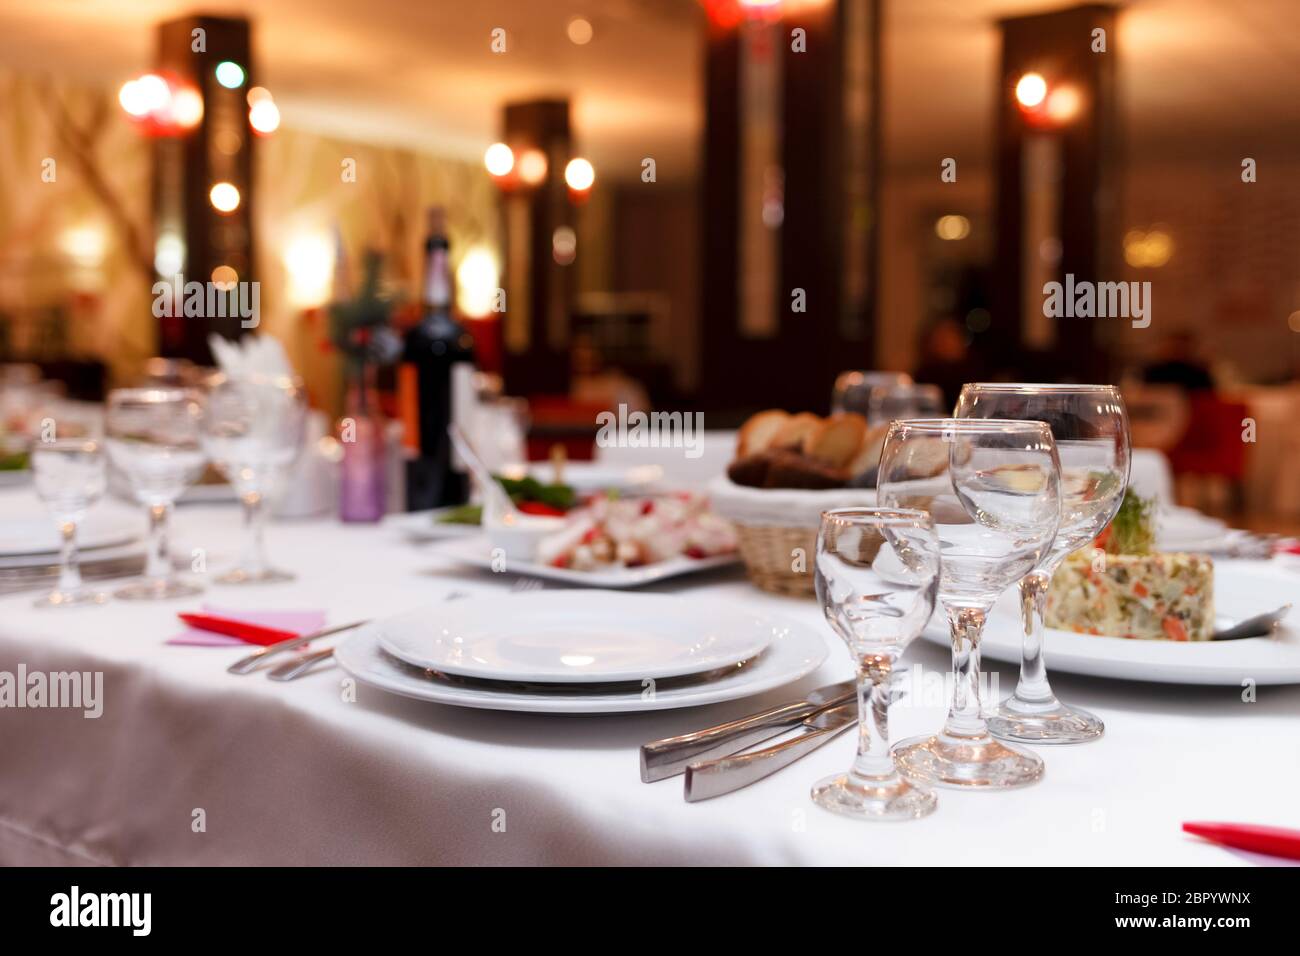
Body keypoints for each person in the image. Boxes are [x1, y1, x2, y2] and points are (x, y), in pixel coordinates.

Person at [1142, 331, 1214, 392]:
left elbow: (1207, 397)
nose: (1178, 349)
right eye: (1175, 346)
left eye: (1182, 346)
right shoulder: (1154, 371)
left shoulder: (1199, 373)